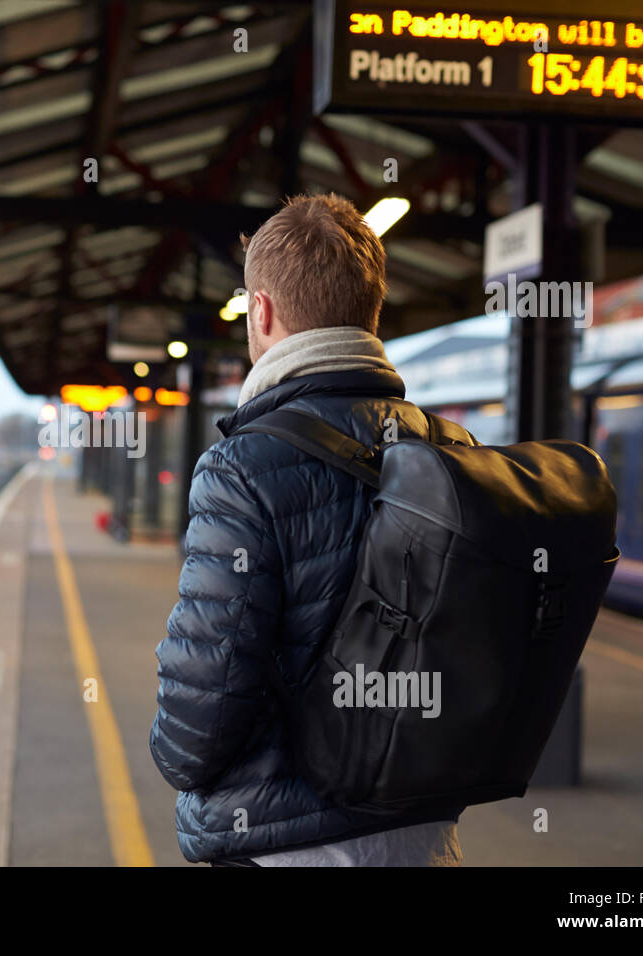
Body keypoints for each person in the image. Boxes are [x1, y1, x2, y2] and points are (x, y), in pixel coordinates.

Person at [148, 193, 467, 867]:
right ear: (371, 307)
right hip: (426, 835)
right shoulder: (454, 449)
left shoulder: (243, 465)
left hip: (285, 840)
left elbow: (209, 693)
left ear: (259, 311)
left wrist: (174, 758)